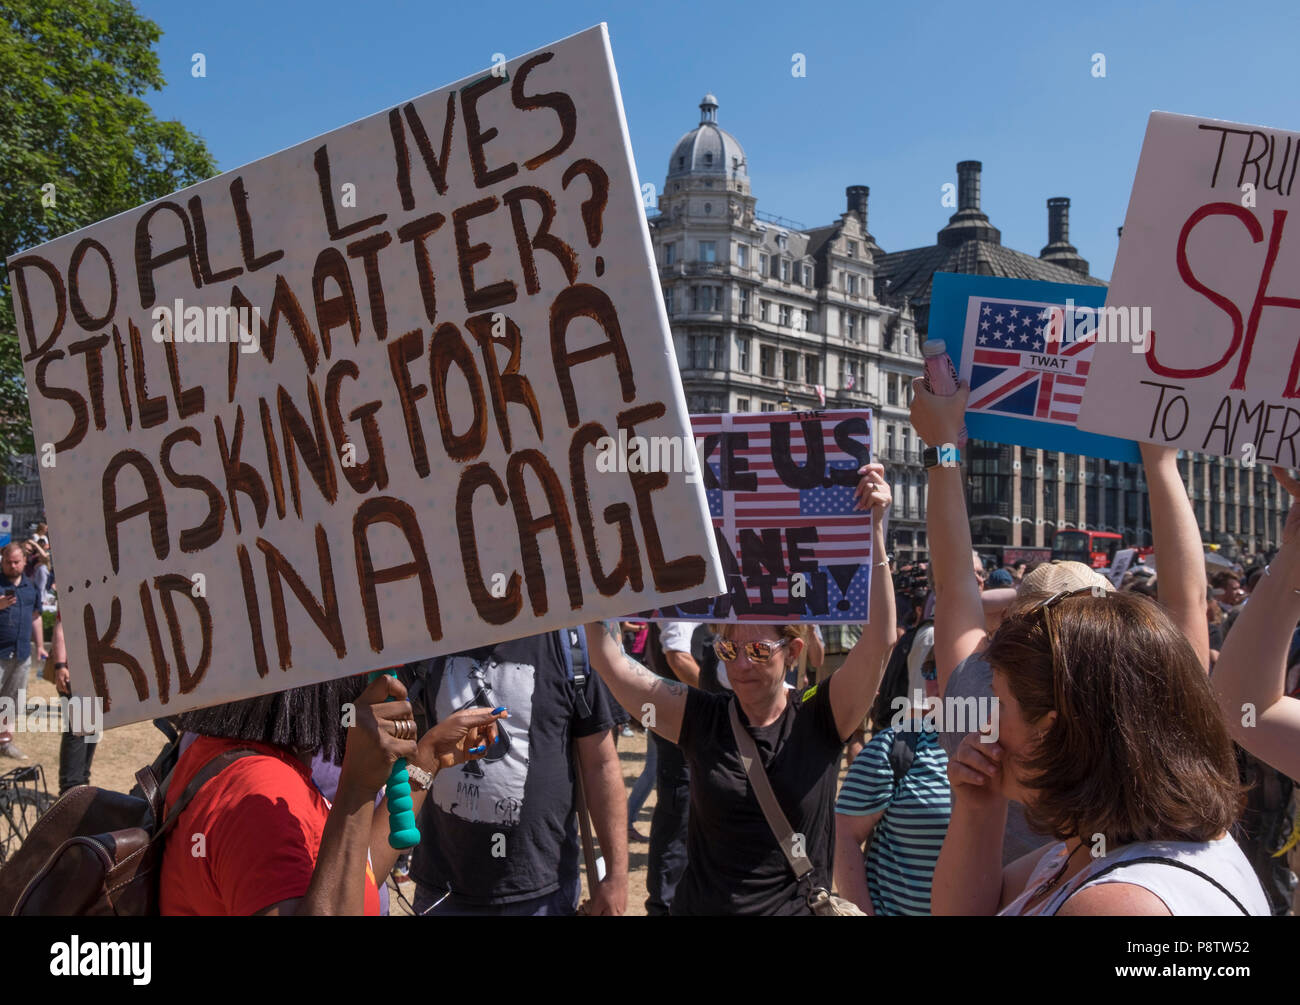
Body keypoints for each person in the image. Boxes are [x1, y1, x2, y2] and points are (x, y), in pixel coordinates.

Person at [914, 378, 1211, 865]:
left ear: (1013, 627)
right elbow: (1189, 599)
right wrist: (1161, 461)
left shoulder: (981, 693)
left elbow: (951, 585)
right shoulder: (1153, 692)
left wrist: (941, 447)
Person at [584, 463, 897, 915]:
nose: (742, 665)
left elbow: (881, 640)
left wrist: (875, 531)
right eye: (729, 652)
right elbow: (611, 665)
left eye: (758, 651)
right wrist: (586, 566)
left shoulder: (820, 716)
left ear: (791, 651)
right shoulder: (702, 718)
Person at [160, 673, 503, 915]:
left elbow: (350, 877)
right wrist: (357, 788)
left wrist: (426, 762)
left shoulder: (241, 757)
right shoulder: (261, 793)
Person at [403, 629, 629, 916]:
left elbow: (601, 765)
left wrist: (616, 875)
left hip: (544, 894)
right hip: (444, 890)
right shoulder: (428, 637)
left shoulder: (572, 639)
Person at [835, 624, 951, 915]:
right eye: (930, 669)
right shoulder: (894, 747)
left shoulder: (1010, 754)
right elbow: (842, 836)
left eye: (949, 669)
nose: (934, 682)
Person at [641, 620, 701, 915]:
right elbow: (677, 655)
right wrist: (726, 699)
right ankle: (665, 905)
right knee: (679, 812)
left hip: (687, 719)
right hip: (683, 721)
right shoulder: (683, 594)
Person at [0, 542, 46, 759]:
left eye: (16, 562)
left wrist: (39, 646)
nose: (12, 565)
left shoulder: (30, 588)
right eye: (8, 562)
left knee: (11, 701)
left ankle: (5, 743)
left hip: (21, 655)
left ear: (24, 561)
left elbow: (36, 618)